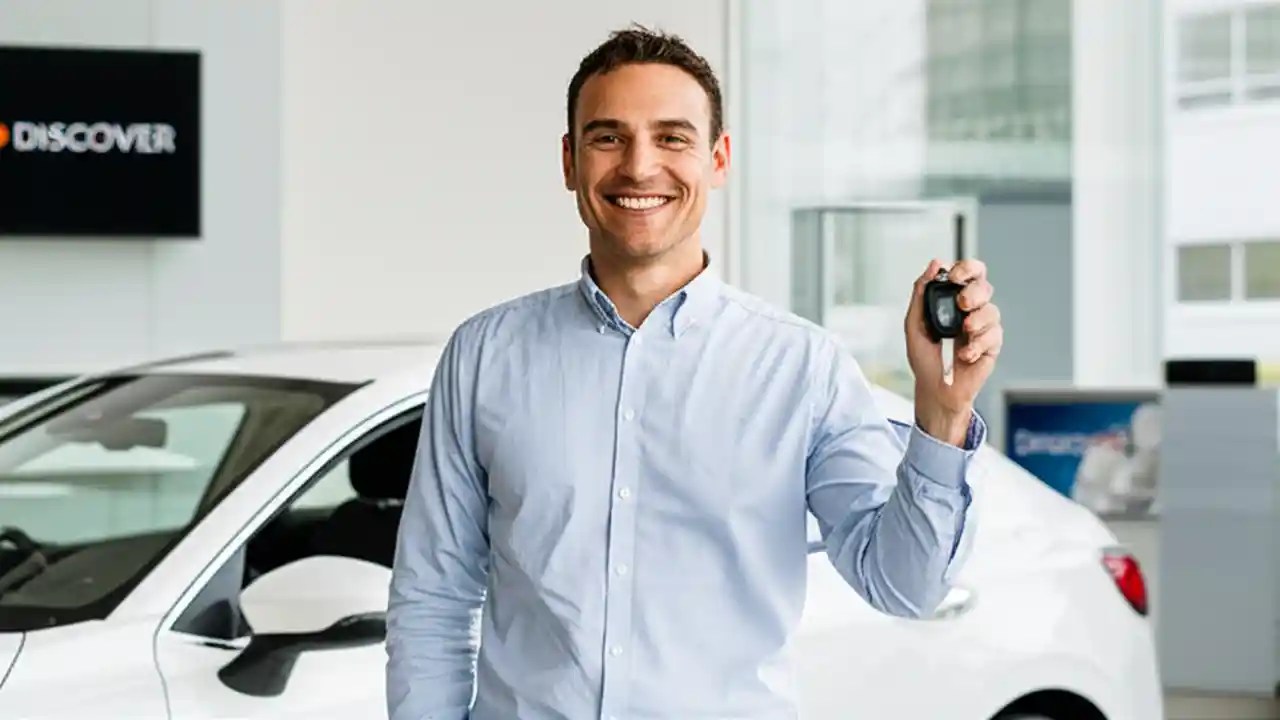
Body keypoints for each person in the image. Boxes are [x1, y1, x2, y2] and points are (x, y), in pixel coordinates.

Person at [386, 24, 1004, 720]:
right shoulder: (483, 356)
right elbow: (432, 598)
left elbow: (904, 586)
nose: (639, 166)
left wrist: (943, 415)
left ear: (719, 159)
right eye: (608, 136)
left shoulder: (802, 368)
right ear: (569, 161)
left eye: (672, 137)